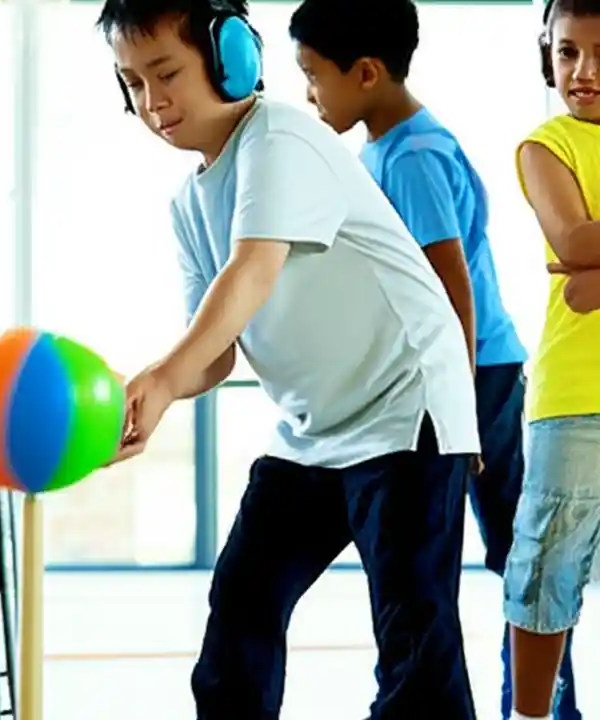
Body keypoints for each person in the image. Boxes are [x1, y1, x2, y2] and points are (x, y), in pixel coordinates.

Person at [97, 0, 481, 716]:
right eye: (133, 83)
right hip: (314, 433)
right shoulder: (189, 202)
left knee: (413, 630)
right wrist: (146, 394)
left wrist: (164, 374)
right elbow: (216, 356)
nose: (152, 102)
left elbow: (253, 273)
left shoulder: (279, 139)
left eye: (166, 73)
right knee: (244, 597)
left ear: (230, 55)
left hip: (407, 409)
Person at [286, 2, 580, 717]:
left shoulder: (412, 157)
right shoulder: (385, 149)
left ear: (365, 73)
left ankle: (545, 706)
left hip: (474, 375)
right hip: (460, 375)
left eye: (313, 77)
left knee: (521, 554)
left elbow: (451, 286)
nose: (308, 95)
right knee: (507, 551)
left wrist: (459, 412)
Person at [502, 1, 600, 718]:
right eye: (567, 53)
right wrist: (583, 267)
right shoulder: (545, 145)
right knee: (546, 576)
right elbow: (575, 247)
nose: (583, 73)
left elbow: (590, 281)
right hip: (575, 400)